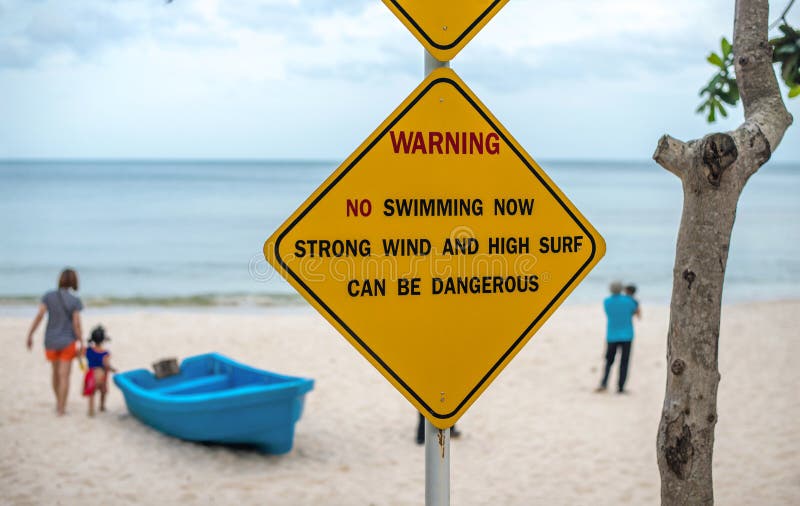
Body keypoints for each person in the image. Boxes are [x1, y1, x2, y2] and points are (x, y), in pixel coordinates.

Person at [26, 268, 85, 415]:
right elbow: (76, 323)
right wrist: (81, 341)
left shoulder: (48, 296)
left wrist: (30, 334)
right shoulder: (75, 301)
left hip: (50, 340)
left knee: (55, 373)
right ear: (74, 281)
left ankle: (58, 401)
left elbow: (40, 315)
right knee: (64, 375)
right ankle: (61, 408)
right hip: (68, 341)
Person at [596, 281, 639, 394]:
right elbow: (635, 313)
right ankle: (620, 387)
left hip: (612, 335)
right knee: (624, 362)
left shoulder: (606, 302)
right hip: (627, 335)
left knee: (609, 361)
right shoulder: (630, 301)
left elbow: (609, 314)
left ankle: (604, 383)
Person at [83, 325, 116, 417]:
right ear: (103, 340)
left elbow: (79, 353)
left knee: (92, 393)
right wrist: (113, 370)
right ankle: (102, 406)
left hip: (90, 374)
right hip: (101, 375)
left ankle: (91, 411)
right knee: (103, 392)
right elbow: (106, 365)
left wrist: (81, 365)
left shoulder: (88, 350)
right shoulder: (105, 353)